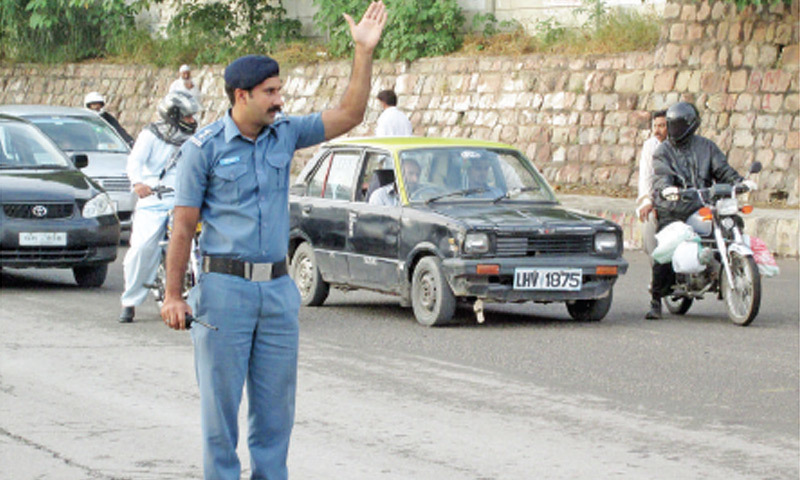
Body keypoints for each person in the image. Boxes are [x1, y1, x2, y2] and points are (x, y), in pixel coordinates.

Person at [159, 3, 387, 479]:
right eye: (271, 92)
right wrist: (174, 294)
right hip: (223, 292)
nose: (280, 99)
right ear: (241, 96)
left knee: (276, 414)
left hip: (279, 292)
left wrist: (363, 52)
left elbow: (350, 113)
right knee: (220, 418)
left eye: (279, 90)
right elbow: (182, 227)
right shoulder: (204, 150)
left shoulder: (284, 134)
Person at [647, 101, 756, 320]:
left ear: (691, 124)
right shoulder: (663, 152)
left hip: (704, 203)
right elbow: (661, 176)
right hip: (674, 206)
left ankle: (728, 268)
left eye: (678, 123)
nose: (674, 128)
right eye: (672, 124)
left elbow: (723, 170)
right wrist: (668, 189)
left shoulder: (707, 147)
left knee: (733, 222)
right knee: (666, 246)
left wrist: (740, 182)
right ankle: (656, 299)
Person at [119, 91, 200, 323]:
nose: (192, 121)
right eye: (187, 116)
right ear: (174, 116)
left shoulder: (194, 139)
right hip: (154, 197)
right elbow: (135, 162)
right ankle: (130, 300)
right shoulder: (150, 135)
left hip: (184, 198)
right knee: (142, 248)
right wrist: (139, 183)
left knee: (203, 243)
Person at [636, 110, 667, 257]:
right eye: (655, 126)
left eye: (662, 126)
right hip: (658, 199)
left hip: (682, 201)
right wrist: (648, 201)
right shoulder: (650, 146)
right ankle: (656, 269)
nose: (657, 131)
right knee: (648, 219)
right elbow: (646, 175)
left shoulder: (684, 145)